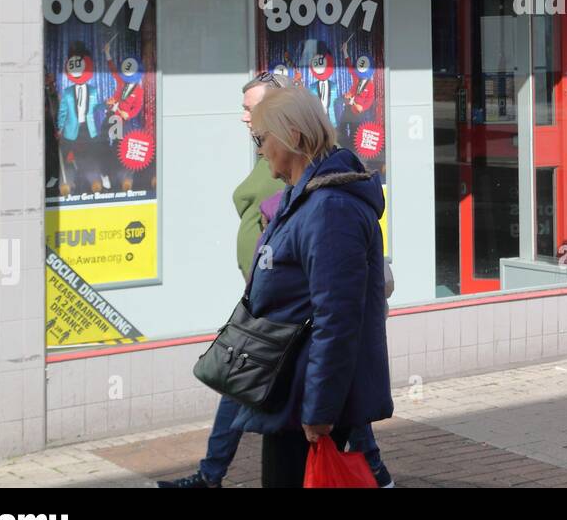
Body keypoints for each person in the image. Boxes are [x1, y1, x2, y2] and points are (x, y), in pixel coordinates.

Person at [237, 85, 393, 488]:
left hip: (306, 401)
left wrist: (320, 409)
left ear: (295, 136)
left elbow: (337, 319)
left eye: (262, 137)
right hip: (290, 389)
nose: (259, 149)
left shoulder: (330, 210)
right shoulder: (305, 198)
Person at [158, 71, 288, 489]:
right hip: (263, 297)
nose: (242, 117)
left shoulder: (297, 156)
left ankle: (375, 474)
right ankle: (210, 474)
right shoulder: (268, 153)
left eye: (249, 108)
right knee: (238, 376)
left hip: (284, 302)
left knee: (244, 375)